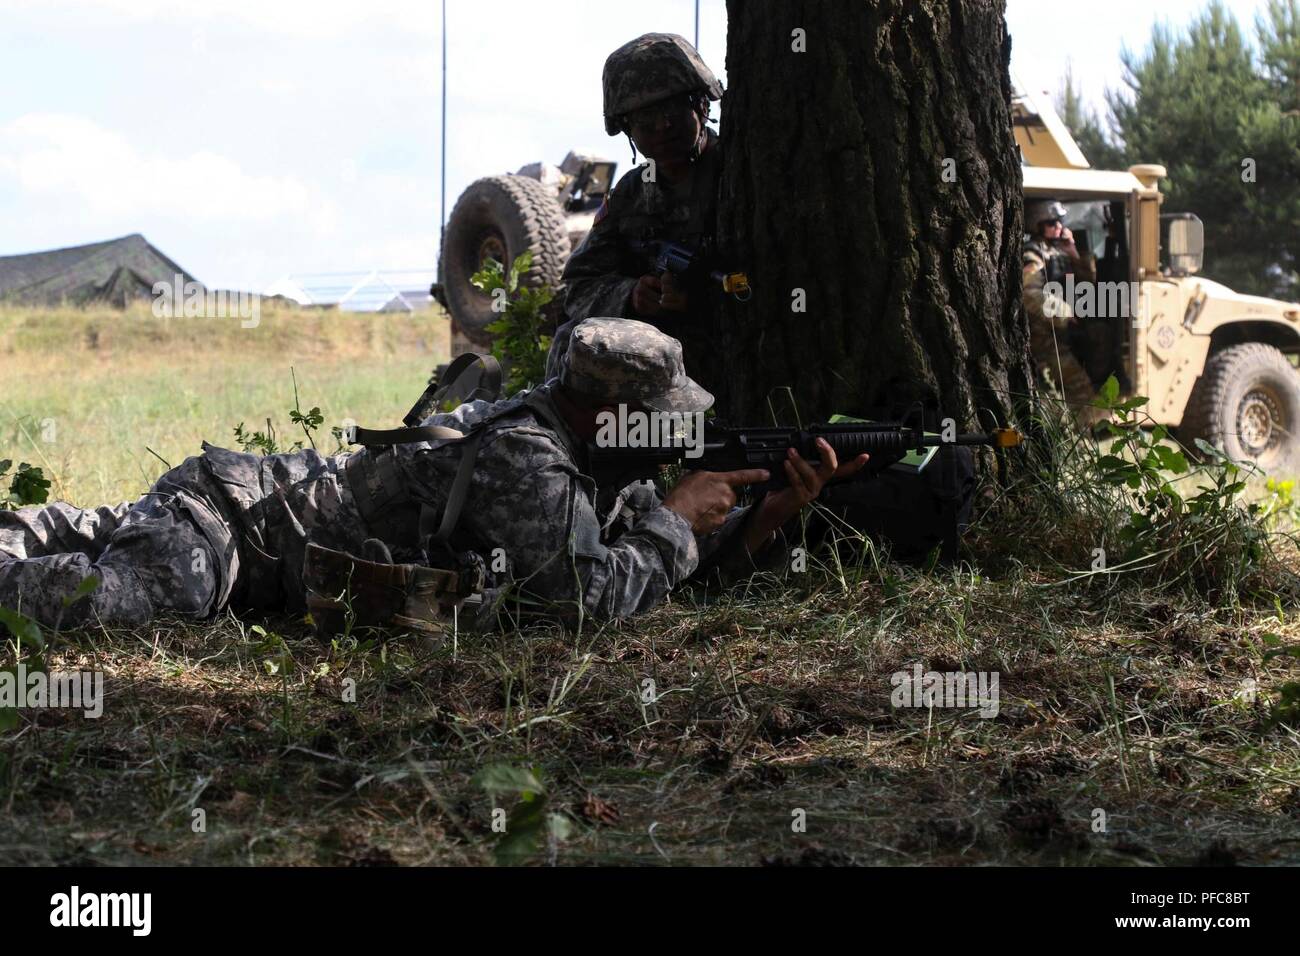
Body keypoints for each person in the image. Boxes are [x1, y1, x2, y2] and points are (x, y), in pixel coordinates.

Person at [0, 319, 866, 631]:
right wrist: (676, 517)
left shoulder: (586, 461)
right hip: (231, 529)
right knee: (122, 600)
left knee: (95, 531)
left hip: (232, 506)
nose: (676, 428)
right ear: (608, 413)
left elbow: (654, 576)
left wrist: (767, 515)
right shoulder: (527, 456)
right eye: (664, 411)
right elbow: (583, 601)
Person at [546, 33, 725, 387]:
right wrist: (631, 296)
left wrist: (699, 298)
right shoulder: (631, 194)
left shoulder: (739, 175)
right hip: (655, 355)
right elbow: (578, 286)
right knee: (572, 337)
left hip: (727, 342)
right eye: (645, 119)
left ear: (702, 105)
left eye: (671, 112)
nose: (661, 127)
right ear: (627, 129)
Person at [1022, 198, 1109, 429]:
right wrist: (1065, 312)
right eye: (1052, 222)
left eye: (1060, 221)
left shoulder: (1056, 251)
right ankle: (1078, 442)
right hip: (1042, 335)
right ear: (1037, 225)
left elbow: (1087, 284)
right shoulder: (1033, 254)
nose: (1059, 226)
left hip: (1058, 332)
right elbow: (1029, 292)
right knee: (1077, 387)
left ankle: (1075, 435)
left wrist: (1073, 253)